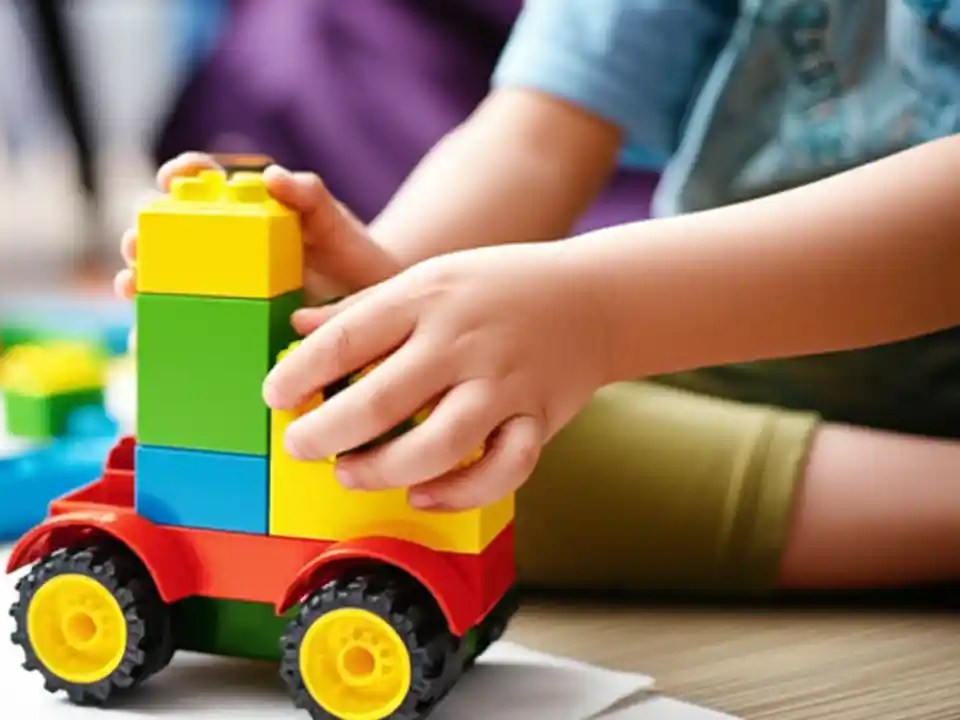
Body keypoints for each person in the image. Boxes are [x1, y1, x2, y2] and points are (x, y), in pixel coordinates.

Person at [118, 1, 960, 593]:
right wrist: (390, 290)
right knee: (419, 460)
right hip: (742, 347)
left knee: (442, 465)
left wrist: (603, 312)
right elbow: (540, 129)